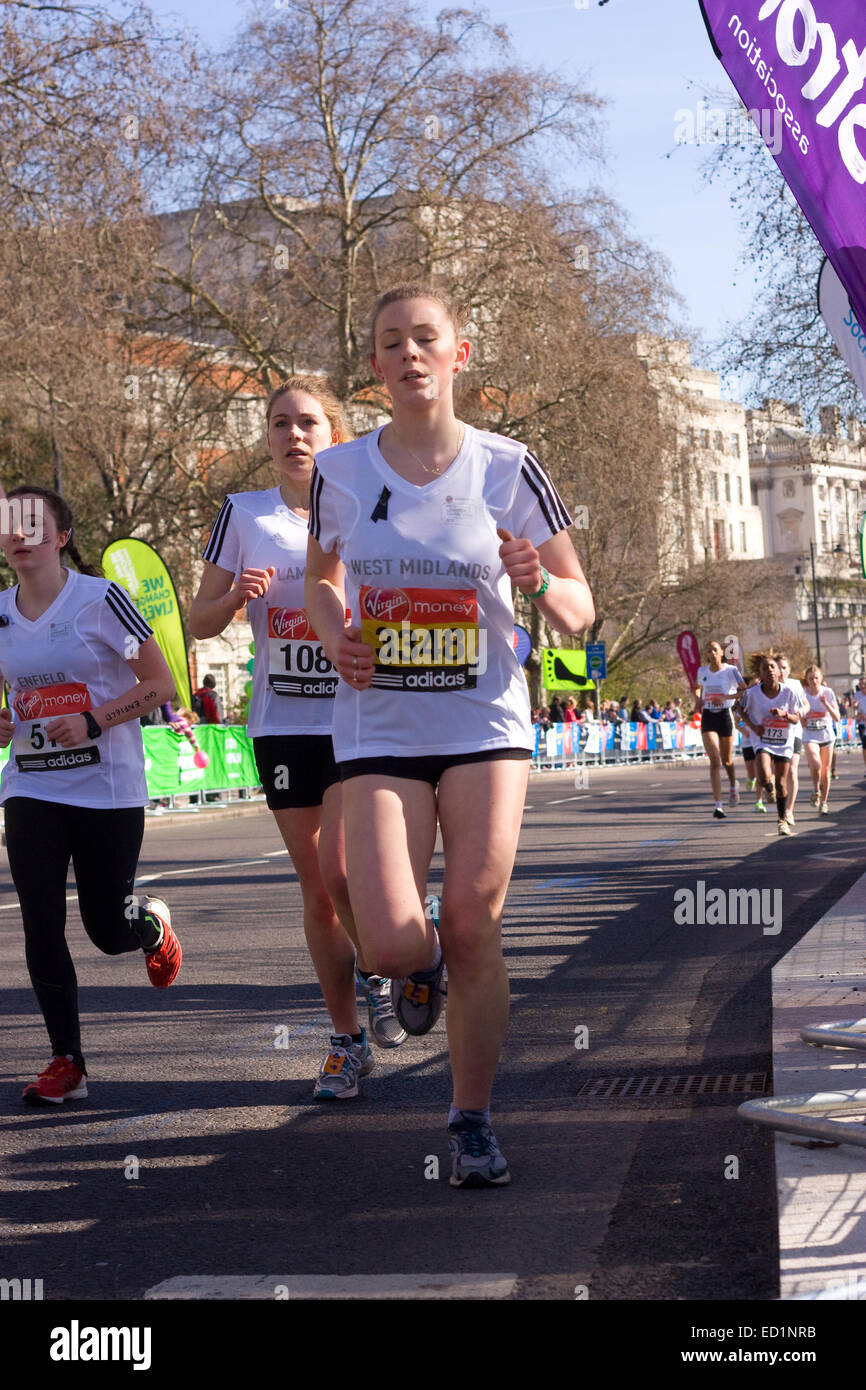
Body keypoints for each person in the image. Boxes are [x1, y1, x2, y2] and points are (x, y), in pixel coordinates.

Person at [305, 283, 594, 1186]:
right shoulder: (342, 473)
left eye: (426, 338)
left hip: (483, 721)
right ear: (376, 366)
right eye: (391, 343)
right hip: (379, 722)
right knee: (390, 942)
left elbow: (581, 612)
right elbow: (320, 580)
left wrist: (537, 583)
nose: (410, 355)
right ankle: (416, 967)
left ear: (458, 354)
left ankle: (470, 1118)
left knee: (473, 919)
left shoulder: (510, 466)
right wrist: (332, 634)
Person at [190, 376, 406, 1101]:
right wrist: (231, 599)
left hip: (351, 719)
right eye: (280, 424)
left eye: (308, 422)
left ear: (334, 434)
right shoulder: (242, 514)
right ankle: (346, 1041)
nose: (294, 435)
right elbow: (196, 623)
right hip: (281, 723)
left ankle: (381, 968)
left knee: (343, 873)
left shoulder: (366, 509)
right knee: (317, 890)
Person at [0, 486, 181, 1104]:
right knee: (40, 918)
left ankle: (147, 921)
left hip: (106, 787)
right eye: (8, 525)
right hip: (31, 784)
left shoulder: (102, 599)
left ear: (61, 537)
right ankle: (66, 1062)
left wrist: (95, 719)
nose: (18, 534)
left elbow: (161, 683)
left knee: (106, 929)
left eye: (32, 524)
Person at [737, 656, 800, 835]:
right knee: (764, 777)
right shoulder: (753, 694)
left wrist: (784, 714)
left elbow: (797, 718)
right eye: (766, 668)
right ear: (761, 674)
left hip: (783, 741)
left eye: (773, 667)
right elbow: (739, 709)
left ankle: (782, 821)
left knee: (781, 784)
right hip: (763, 739)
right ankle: (768, 786)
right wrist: (752, 726)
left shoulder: (788, 693)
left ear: (780, 672)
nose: (770, 670)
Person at [694, 640, 745, 819]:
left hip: (725, 715)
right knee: (715, 760)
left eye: (715, 650)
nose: (712, 653)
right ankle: (718, 805)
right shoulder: (703, 671)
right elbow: (698, 689)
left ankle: (732, 785)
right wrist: (698, 698)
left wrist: (725, 697)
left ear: (722, 652)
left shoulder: (731, 671)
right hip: (708, 716)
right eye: (709, 651)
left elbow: (744, 691)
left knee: (727, 760)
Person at [801, 665, 839, 814]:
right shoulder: (803, 694)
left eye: (817, 678)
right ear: (807, 680)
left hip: (826, 735)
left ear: (821, 678)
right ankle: (816, 790)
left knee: (826, 771)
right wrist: (802, 720)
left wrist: (826, 704)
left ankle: (824, 802)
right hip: (810, 735)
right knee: (816, 764)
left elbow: (836, 717)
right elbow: (798, 715)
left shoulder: (828, 693)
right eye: (811, 678)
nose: (814, 681)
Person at [775, 652, 808, 826]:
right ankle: (780, 802)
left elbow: (805, 703)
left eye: (784, 667)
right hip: (776, 734)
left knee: (793, 771)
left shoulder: (795, 685)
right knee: (780, 774)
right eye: (778, 667)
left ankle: (788, 810)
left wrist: (801, 712)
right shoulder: (769, 686)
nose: (781, 671)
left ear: (789, 670)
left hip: (794, 731)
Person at [855, 676, 866, 778]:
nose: (863, 686)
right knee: (865, 747)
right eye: (861, 684)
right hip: (863, 726)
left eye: (865, 684)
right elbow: (857, 717)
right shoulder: (860, 699)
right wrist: (861, 716)